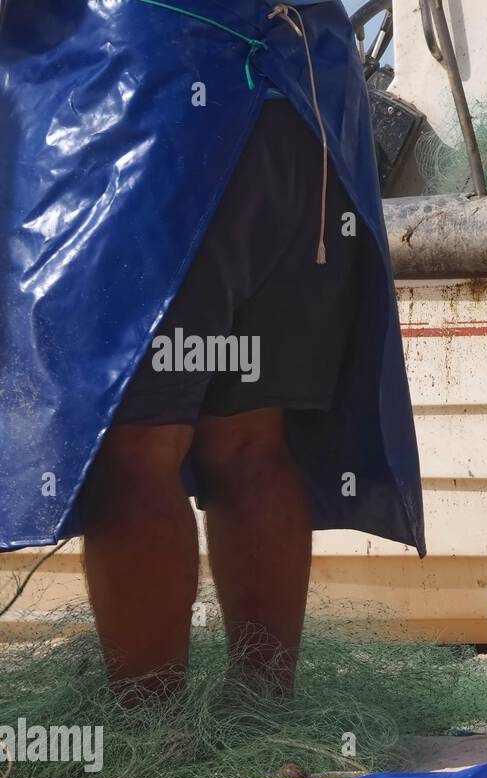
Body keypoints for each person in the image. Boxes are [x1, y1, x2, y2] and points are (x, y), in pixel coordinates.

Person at [0, 0, 426, 699]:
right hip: (306, 104)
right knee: (250, 440)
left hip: (149, 110)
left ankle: (154, 745)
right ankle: (260, 712)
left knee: (135, 448)